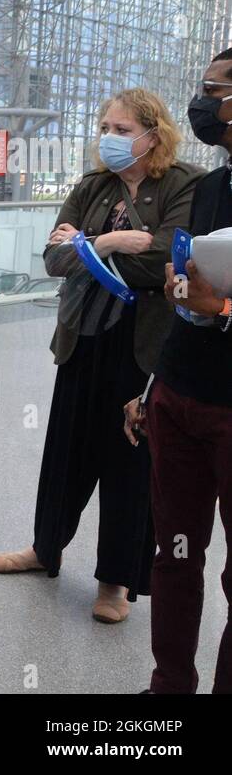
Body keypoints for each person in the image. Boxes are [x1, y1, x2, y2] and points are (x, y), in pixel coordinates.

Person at [0, 88, 203, 623]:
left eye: (123, 129)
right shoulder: (93, 186)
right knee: (66, 450)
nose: (110, 137)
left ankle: (116, 581)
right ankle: (45, 548)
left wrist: (88, 242)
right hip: (84, 336)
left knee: (130, 460)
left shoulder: (185, 185)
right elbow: (55, 259)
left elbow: (167, 263)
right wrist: (106, 244)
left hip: (145, 346)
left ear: (154, 134)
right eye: (106, 126)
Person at [124, 47, 232, 692]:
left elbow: (221, 297)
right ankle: (170, 690)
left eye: (214, 89)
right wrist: (152, 384)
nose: (203, 100)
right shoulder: (215, 185)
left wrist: (224, 305)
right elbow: (196, 284)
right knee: (175, 555)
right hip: (182, 391)